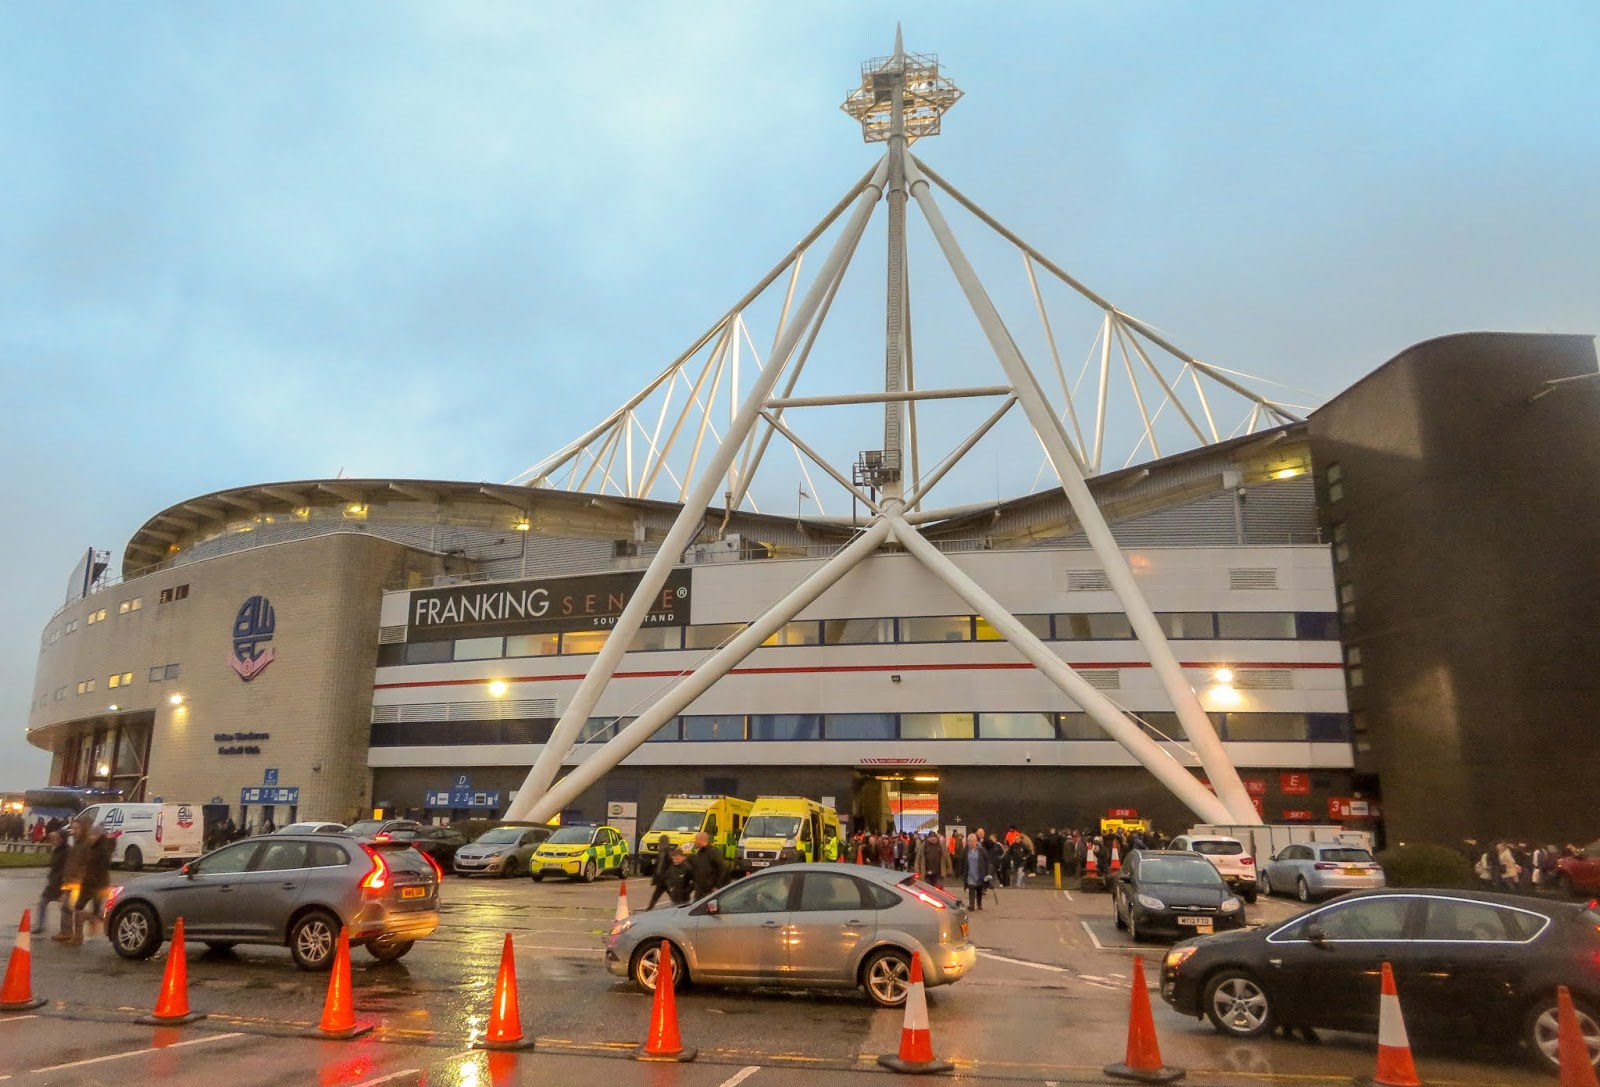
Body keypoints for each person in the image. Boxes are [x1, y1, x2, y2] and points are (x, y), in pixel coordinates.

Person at [32, 831, 69, 935]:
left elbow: (66, 869)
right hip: (53, 883)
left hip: (61, 884)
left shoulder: (66, 851)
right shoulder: (57, 850)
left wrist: (65, 887)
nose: (53, 841)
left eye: (55, 839)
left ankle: (67, 930)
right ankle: (40, 925)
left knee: (66, 908)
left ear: (61, 839)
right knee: (43, 902)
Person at [687, 831, 726, 899]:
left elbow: (722, 869)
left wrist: (717, 886)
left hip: (709, 892)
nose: (695, 842)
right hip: (699, 892)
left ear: (701, 840)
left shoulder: (713, 852)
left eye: (696, 840)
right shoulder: (699, 853)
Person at [960, 833, 992, 911]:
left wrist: (987, 872)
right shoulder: (966, 851)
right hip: (970, 873)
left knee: (979, 889)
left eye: (973, 841)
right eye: (969, 841)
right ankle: (971, 905)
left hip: (980, 873)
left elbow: (986, 861)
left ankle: (979, 904)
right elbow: (963, 861)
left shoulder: (981, 850)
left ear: (976, 841)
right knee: (971, 888)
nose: (971, 843)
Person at [647, 833, 675, 909]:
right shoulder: (662, 851)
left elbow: (666, 864)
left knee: (661, 893)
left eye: (660, 841)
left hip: (665, 878)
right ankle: (650, 907)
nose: (659, 843)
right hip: (662, 878)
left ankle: (650, 908)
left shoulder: (666, 852)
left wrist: (666, 875)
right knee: (657, 894)